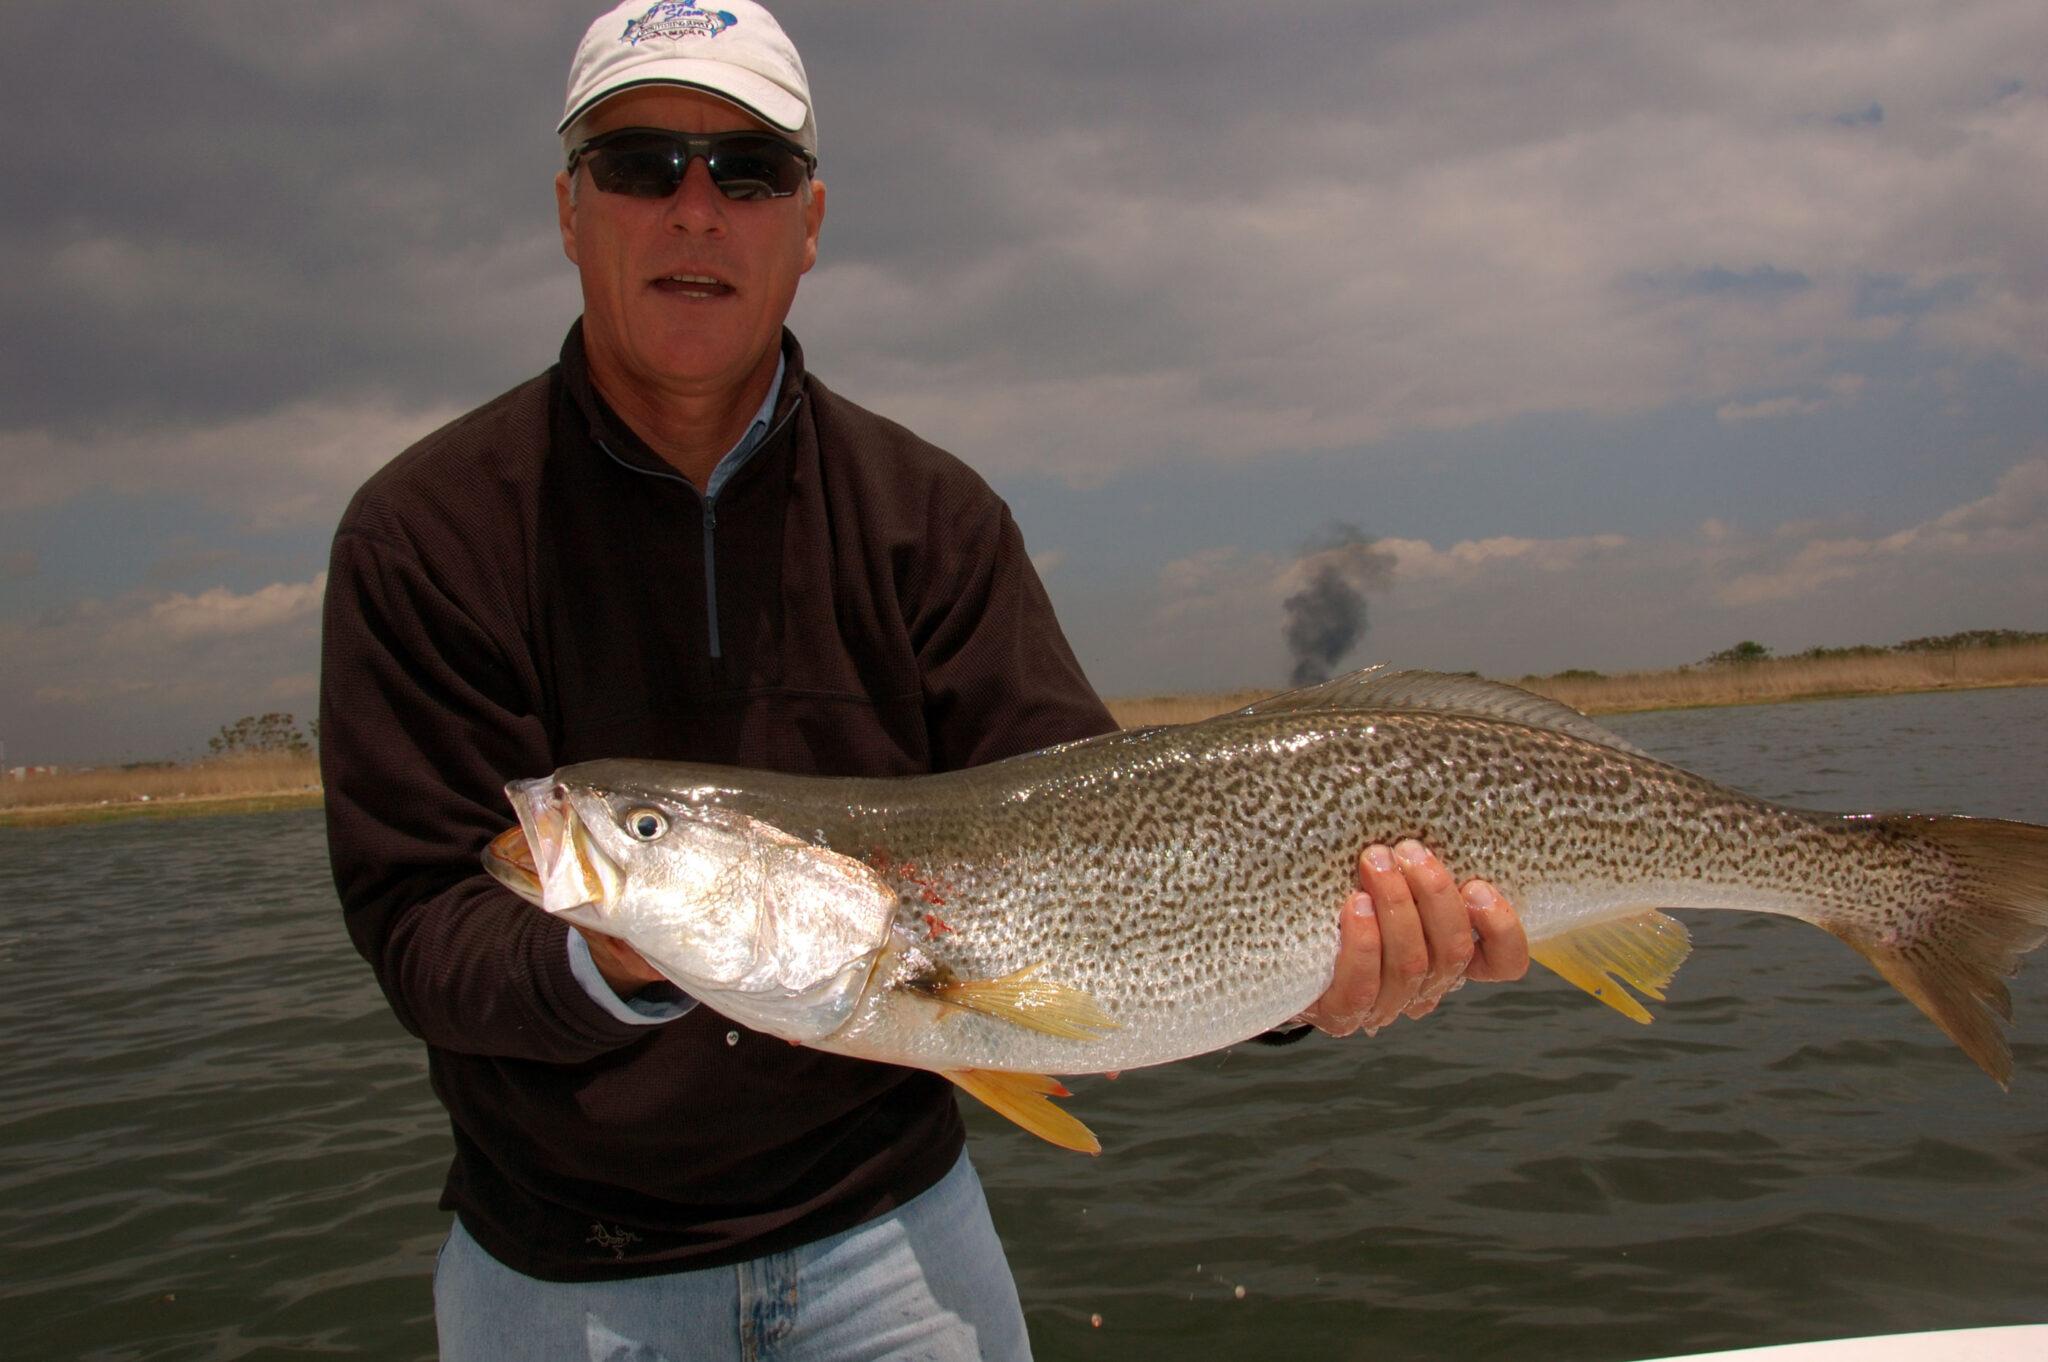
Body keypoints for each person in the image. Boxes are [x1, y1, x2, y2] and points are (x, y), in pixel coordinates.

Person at [319, 3, 1528, 1358]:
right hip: (563, 1272)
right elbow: (421, 923)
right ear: (569, 208)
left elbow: (1120, 866)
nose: (696, 210)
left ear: (811, 221)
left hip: (892, 1237)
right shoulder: (421, 534)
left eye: (751, 171)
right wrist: (619, 939)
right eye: (641, 163)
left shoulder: (933, 517)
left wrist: (1322, 976)